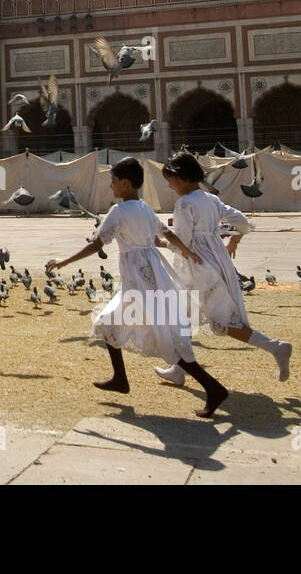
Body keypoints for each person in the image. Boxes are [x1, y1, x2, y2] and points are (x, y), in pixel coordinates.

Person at [45, 157, 231, 419]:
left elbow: (97, 245)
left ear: (124, 183)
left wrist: (63, 262)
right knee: (110, 323)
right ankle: (120, 379)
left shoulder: (118, 212)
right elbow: (167, 234)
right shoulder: (144, 208)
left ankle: (214, 388)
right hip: (150, 275)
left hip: (139, 282)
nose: (111, 187)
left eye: (112, 182)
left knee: (164, 340)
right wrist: (188, 252)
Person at [155, 152, 292, 385]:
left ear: (183, 177)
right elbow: (241, 221)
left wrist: (159, 242)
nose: (169, 185)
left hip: (198, 266)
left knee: (222, 322)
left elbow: (183, 242)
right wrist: (233, 242)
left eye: (171, 179)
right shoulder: (210, 199)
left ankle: (276, 347)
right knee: (183, 314)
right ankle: (178, 368)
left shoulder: (184, 204)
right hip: (217, 259)